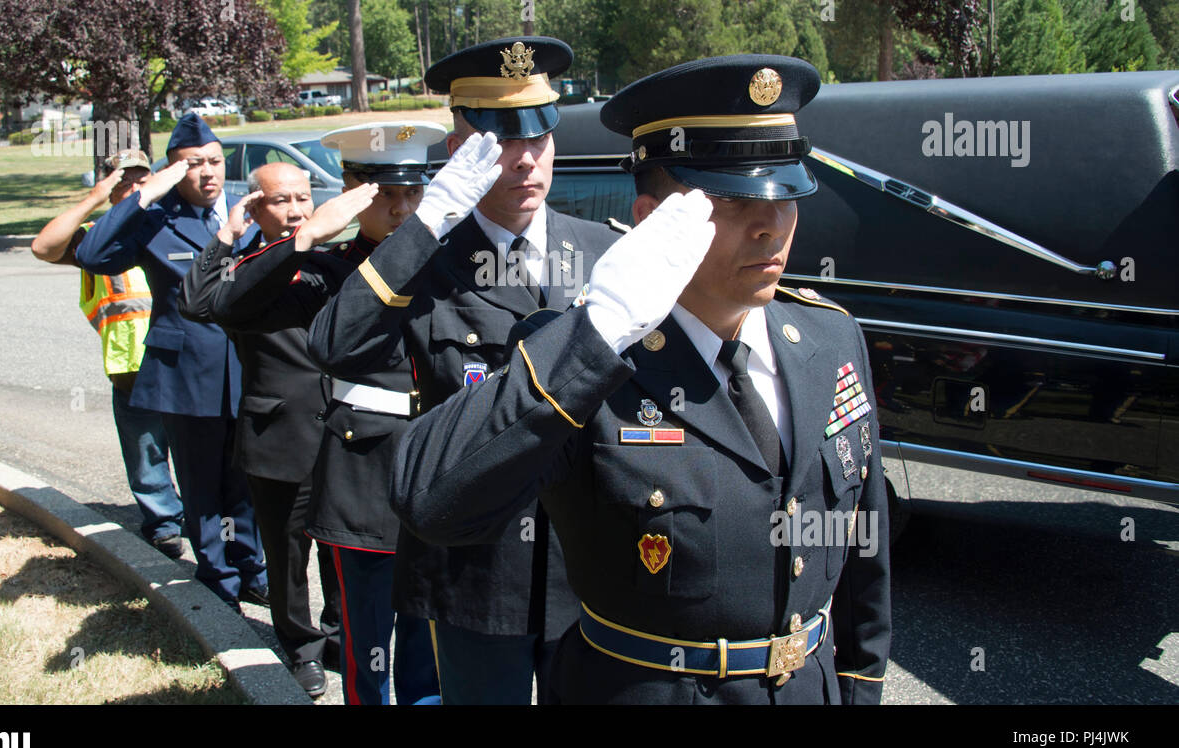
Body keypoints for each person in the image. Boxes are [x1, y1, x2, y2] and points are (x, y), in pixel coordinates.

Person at [391, 54, 892, 704]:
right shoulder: (586, 358)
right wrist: (596, 330)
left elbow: (862, 566)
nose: (770, 224)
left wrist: (858, 690)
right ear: (655, 217)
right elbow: (430, 497)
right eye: (732, 201)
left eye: (784, 194)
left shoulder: (829, 339)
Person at [308, 38, 622, 704]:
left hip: (586, 569)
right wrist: (426, 223)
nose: (528, 158)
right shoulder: (427, 260)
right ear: (462, 154)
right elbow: (334, 344)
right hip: (475, 572)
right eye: (503, 141)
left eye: (541, 137)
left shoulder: (602, 251)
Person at [210, 122, 447, 704]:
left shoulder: (446, 261)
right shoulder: (328, 269)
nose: (401, 210)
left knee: (431, 641)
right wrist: (305, 237)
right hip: (364, 475)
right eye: (383, 195)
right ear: (351, 191)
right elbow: (215, 304)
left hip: (440, 468)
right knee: (368, 648)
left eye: (412, 193)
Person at [178, 161, 373, 697]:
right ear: (255, 207)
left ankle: (337, 635)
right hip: (278, 435)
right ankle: (301, 647)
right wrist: (225, 235)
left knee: (340, 548)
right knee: (287, 555)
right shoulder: (244, 273)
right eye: (281, 200)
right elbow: (194, 303)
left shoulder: (334, 264)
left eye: (303, 198)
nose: (295, 211)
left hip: (341, 431)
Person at [76, 113, 267, 611]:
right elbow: (94, 255)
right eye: (192, 165)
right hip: (186, 375)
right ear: (174, 170)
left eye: (214, 161)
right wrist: (146, 192)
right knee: (202, 484)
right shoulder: (157, 219)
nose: (207, 173)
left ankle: (253, 569)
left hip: (248, 368)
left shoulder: (249, 209)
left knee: (246, 480)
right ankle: (218, 577)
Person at [30, 148, 184, 558]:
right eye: (122, 181)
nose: (134, 187)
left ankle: (204, 520)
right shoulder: (96, 238)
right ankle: (164, 522)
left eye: (141, 178)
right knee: (145, 450)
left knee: (199, 448)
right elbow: (44, 247)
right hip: (131, 366)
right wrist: (92, 200)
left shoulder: (169, 225)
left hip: (182, 359)